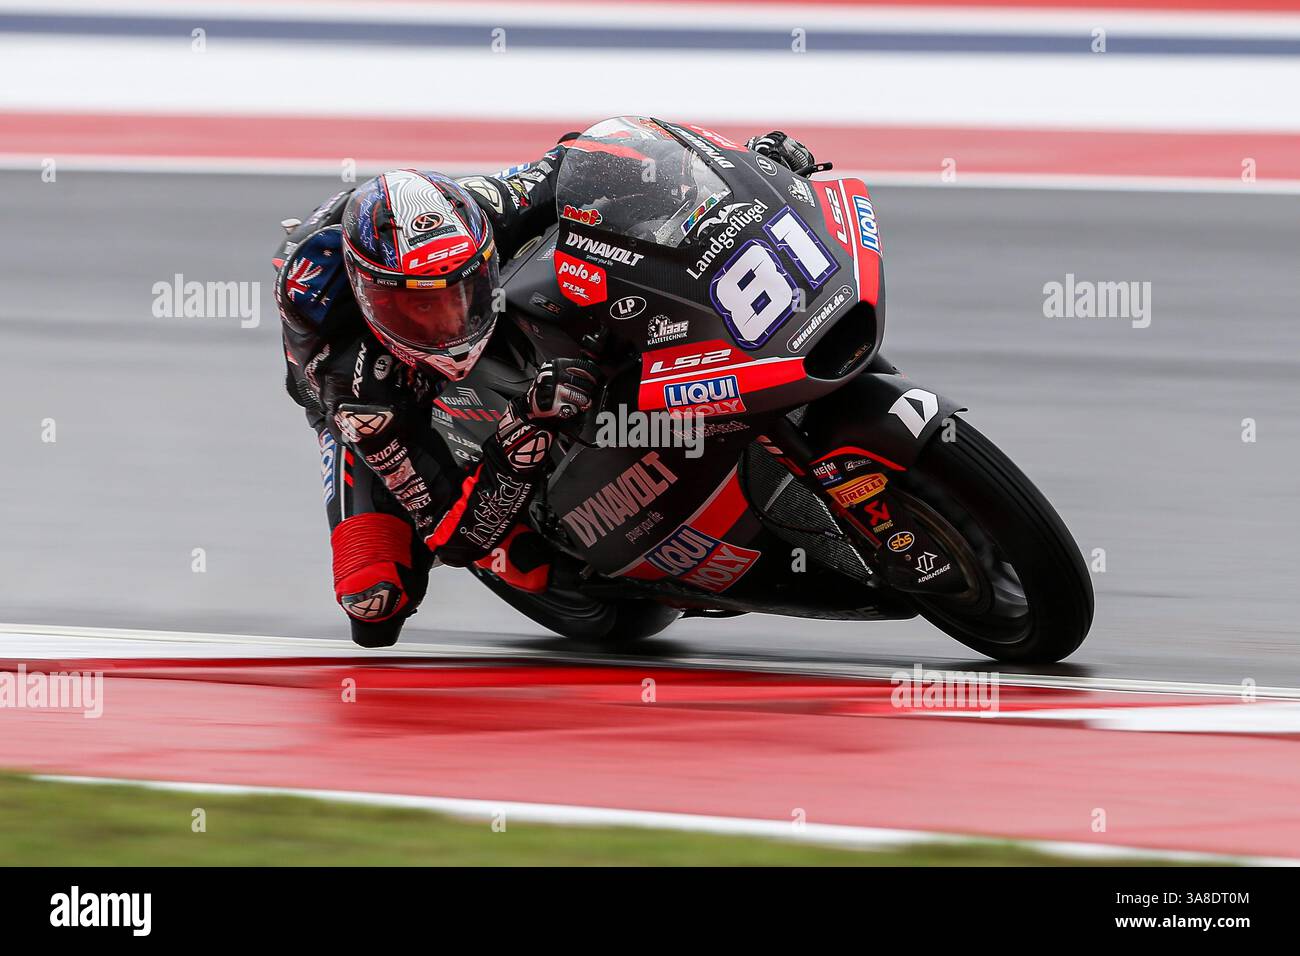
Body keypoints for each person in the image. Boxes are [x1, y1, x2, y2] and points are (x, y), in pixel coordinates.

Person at [272, 129, 816, 647]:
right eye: (418, 308)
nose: (449, 324)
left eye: (462, 293)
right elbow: (453, 538)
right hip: (370, 393)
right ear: (374, 301)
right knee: (374, 602)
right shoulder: (354, 381)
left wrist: (749, 168)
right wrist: (526, 430)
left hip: (470, 266)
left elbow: (603, 158)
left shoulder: (489, 206)